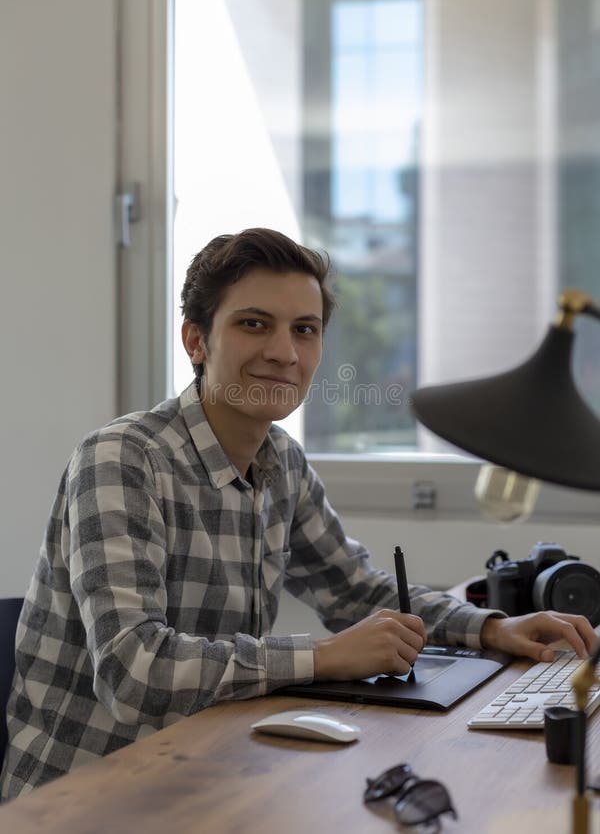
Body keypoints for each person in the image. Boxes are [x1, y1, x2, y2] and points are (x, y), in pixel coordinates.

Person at [1, 227, 595, 800]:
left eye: (304, 330)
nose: (284, 352)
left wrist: (493, 628)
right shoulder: (122, 459)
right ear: (196, 341)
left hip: (210, 769)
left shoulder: (280, 460)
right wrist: (324, 656)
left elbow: (356, 590)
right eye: (254, 324)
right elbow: (133, 672)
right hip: (87, 796)